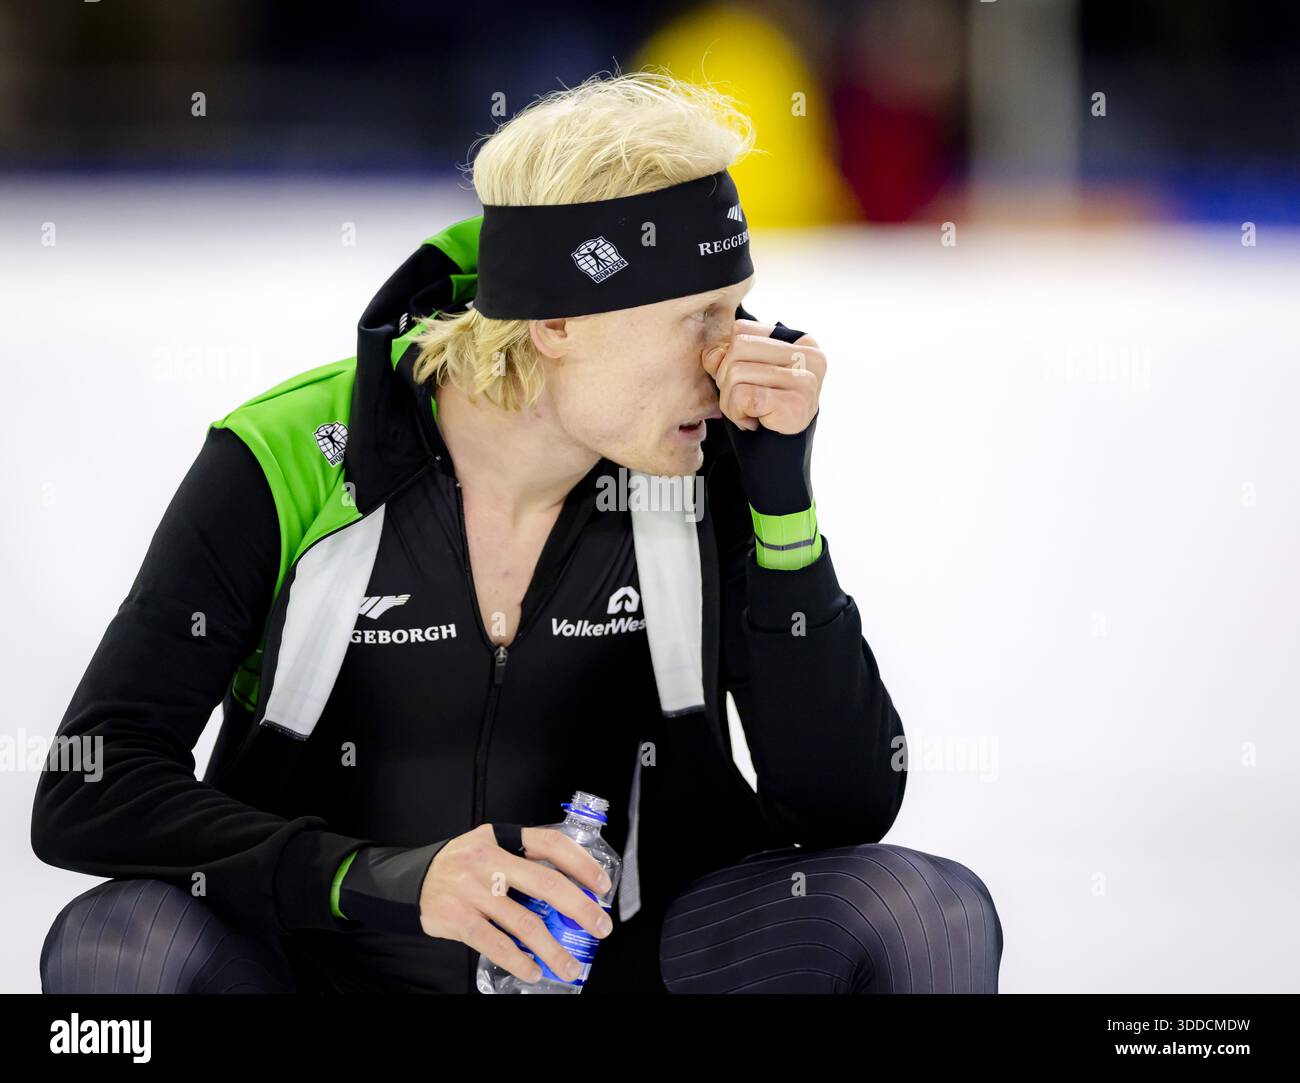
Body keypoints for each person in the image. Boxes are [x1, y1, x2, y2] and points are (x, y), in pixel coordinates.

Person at [32, 71, 1003, 994]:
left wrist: (783, 509)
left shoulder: (711, 467)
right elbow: (91, 785)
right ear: (556, 322)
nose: (736, 358)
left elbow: (842, 809)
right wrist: (385, 877)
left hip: (622, 974)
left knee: (919, 910)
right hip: (322, 965)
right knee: (121, 943)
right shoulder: (288, 455)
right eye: (699, 318)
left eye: (739, 307)